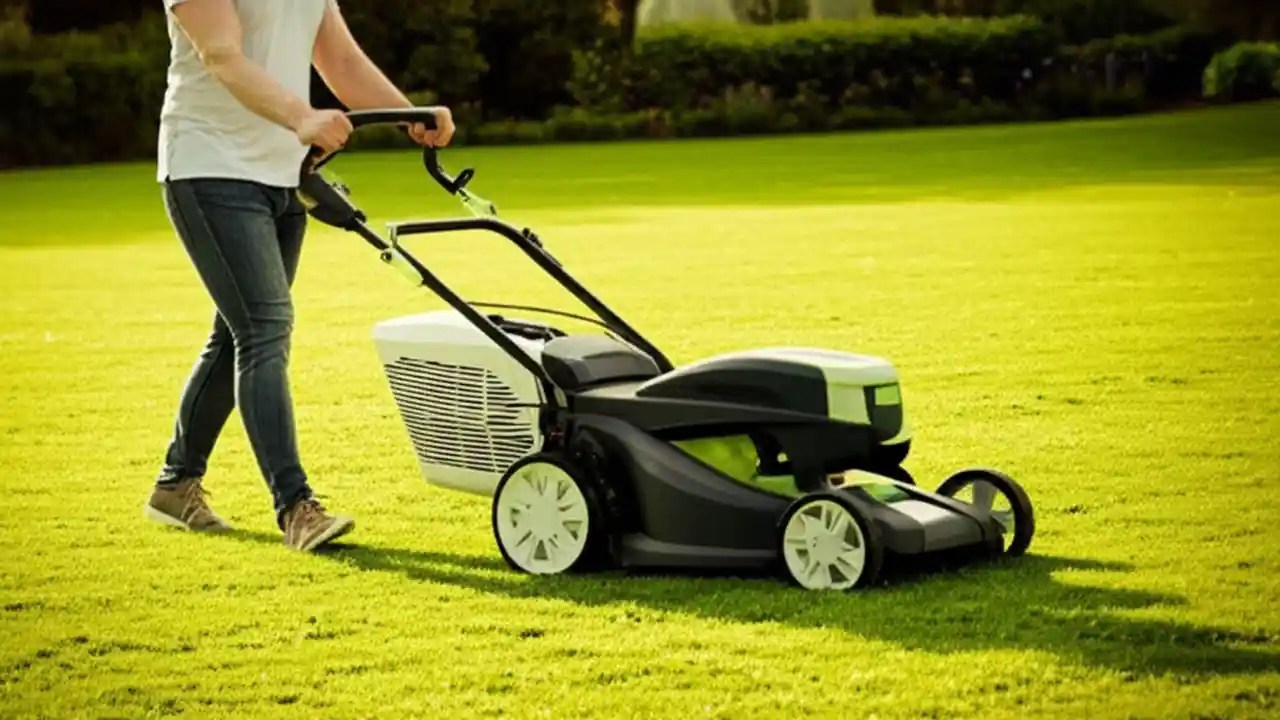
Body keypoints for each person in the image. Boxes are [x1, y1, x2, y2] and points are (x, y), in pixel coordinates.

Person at [142, 0, 455, 552]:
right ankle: (295, 507)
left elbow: (339, 58)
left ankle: (175, 484)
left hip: (283, 171)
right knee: (264, 327)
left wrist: (410, 113)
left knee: (235, 335)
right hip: (209, 166)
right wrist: (302, 117)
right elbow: (221, 56)